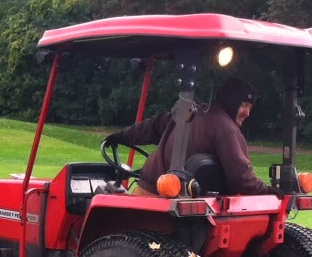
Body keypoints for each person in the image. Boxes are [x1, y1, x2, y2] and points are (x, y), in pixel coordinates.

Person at [106, 76, 273, 195]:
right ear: (231, 101)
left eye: (250, 107)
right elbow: (240, 178)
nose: (247, 112)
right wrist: (267, 191)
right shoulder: (226, 129)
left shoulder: (191, 113)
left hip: (146, 190)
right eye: (244, 105)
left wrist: (121, 136)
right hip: (167, 197)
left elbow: (153, 126)